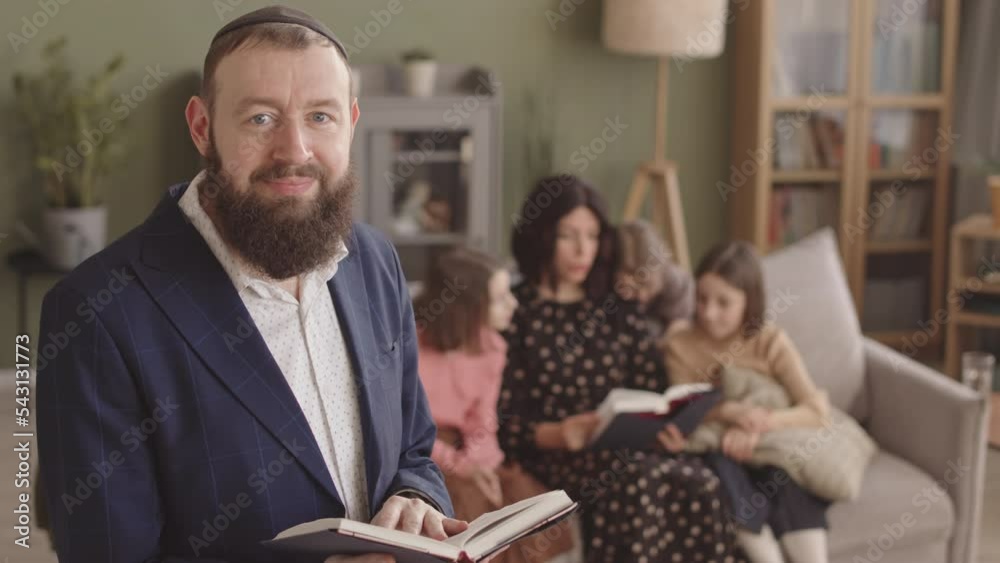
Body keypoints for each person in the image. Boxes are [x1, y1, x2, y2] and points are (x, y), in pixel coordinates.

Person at [37, 6, 469, 563]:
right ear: (201, 127)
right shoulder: (96, 315)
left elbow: (413, 447)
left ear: (352, 121)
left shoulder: (375, 260)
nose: (294, 151)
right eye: (261, 119)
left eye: (321, 117)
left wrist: (415, 496)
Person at [498, 175, 746, 563]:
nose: (584, 250)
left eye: (593, 237)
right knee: (637, 482)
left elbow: (653, 389)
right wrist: (558, 434)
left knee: (701, 482)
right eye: (569, 237)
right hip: (560, 454)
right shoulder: (513, 312)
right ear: (542, 235)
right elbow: (500, 420)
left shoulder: (615, 306)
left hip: (632, 448)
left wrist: (670, 429)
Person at [662, 241, 832, 563]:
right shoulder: (680, 345)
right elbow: (681, 408)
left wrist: (761, 424)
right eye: (701, 298)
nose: (709, 312)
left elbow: (816, 410)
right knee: (722, 471)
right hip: (720, 455)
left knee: (783, 477)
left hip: (771, 447)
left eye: (723, 302)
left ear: (748, 301)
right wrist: (730, 413)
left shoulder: (770, 341)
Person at [614, 219, 695, 339]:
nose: (642, 295)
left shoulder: (678, 282)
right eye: (633, 288)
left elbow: (679, 332)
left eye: (648, 285)